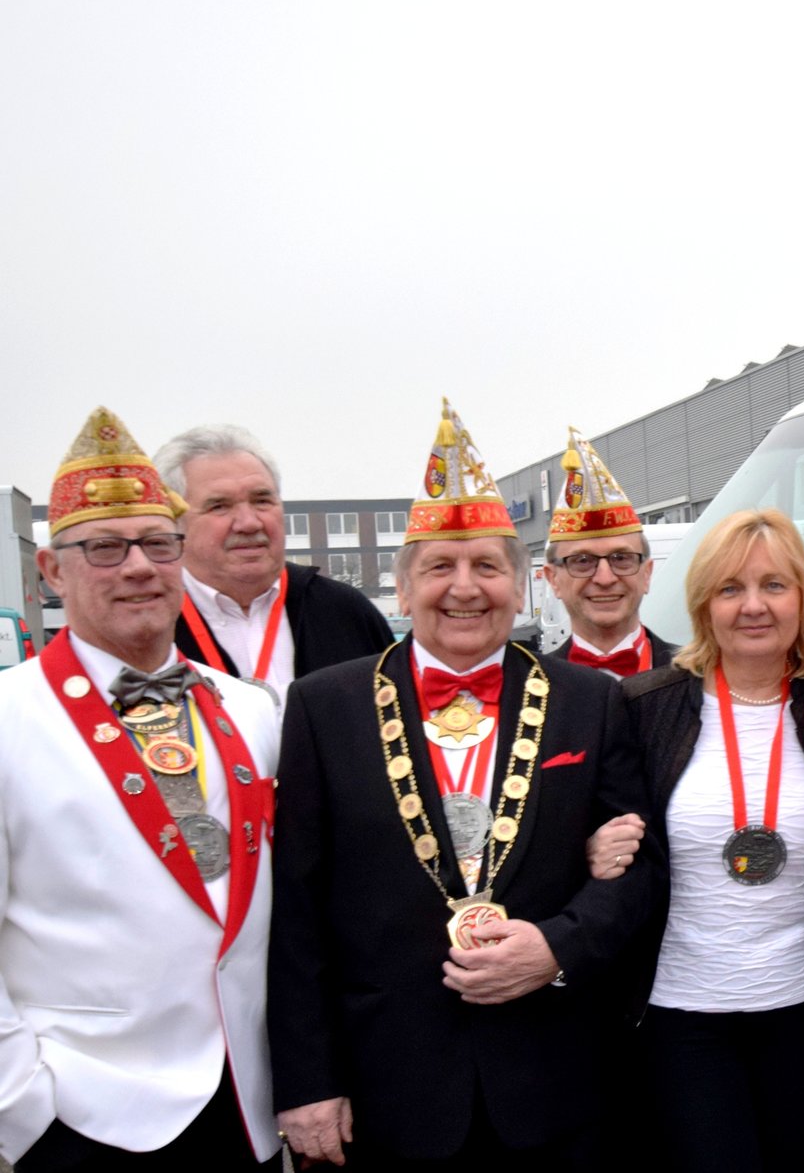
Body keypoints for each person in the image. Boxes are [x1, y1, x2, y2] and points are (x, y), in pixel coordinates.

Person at [268, 400, 655, 1170]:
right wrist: (307, 1081)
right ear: (403, 588)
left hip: (557, 1079)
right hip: (386, 1087)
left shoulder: (589, 699)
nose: (464, 587)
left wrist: (557, 944)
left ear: (521, 585)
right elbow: (298, 909)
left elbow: (643, 872)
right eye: (439, 567)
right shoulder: (323, 705)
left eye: (486, 566)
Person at [0, 407, 282, 1170]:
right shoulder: (5, 719)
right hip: (86, 1113)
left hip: (248, 1103)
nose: (137, 567)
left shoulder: (250, 708)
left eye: (158, 544)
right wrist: (22, 1108)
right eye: (103, 547)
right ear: (51, 571)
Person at [594, 508, 804, 1170]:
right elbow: (595, 825)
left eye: (773, 586)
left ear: (803, 597)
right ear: (704, 604)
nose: (752, 606)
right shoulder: (643, 707)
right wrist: (591, 848)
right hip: (678, 1016)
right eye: (730, 589)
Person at [157, 424, 394, 700]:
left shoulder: (345, 612)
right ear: (174, 522)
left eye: (262, 501)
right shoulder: (154, 623)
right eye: (219, 506)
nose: (249, 522)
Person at [542, 428, 675, 678]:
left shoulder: (699, 680)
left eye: (621, 559)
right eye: (582, 561)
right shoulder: (525, 689)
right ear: (553, 580)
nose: (605, 578)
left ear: (647, 574)